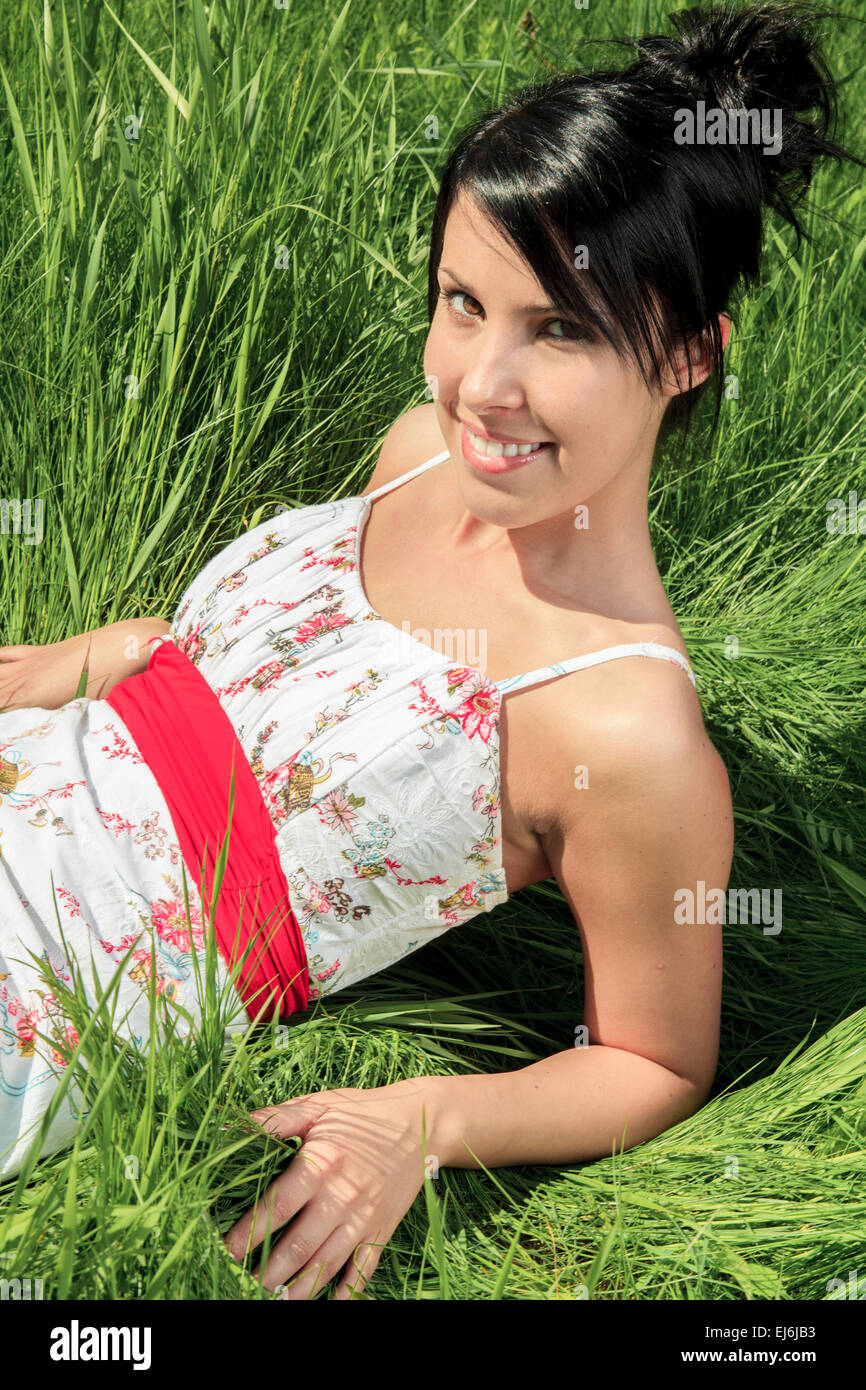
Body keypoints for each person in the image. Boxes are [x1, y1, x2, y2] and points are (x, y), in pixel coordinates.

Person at [0, 0, 862, 1299]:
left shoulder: (624, 734)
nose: (480, 383)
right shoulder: (421, 450)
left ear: (689, 356)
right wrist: (114, 655)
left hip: (55, 987)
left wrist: (423, 1117)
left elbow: (653, 1060)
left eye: (559, 327)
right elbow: (277, 678)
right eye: (464, 302)